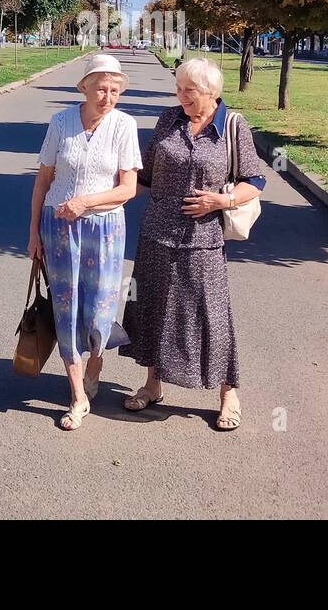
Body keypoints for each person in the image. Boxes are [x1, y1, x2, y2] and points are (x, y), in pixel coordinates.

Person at [121, 56, 265, 431]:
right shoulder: (168, 120)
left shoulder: (232, 126)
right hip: (156, 233)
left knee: (210, 314)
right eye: (179, 88)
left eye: (191, 90)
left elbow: (255, 180)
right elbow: (145, 174)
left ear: (212, 92)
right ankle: (152, 384)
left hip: (204, 239)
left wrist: (221, 201)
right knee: (152, 306)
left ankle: (228, 392)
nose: (182, 96)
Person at [28, 54, 142, 431]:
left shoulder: (124, 125)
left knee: (99, 310)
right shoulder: (60, 122)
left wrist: (86, 202)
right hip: (58, 228)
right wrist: (33, 234)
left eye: (114, 91)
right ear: (84, 87)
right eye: (100, 89)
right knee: (67, 308)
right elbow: (43, 181)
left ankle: (95, 360)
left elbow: (128, 189)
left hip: (105, 229)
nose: (107, 97)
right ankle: (77, 395)